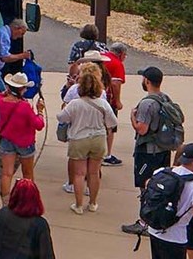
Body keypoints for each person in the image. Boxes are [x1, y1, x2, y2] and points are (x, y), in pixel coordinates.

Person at [122, 66, 181, 235]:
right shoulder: (165, 98)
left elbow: (142, 129)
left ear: (147, 81)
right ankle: (157, 219)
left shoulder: (147, 104)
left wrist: (132, 117)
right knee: (159, 184)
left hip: (147, 152)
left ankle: (144, 222)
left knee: (146, 186)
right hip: (163, 149)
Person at [55, 64, 115, 214]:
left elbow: (61, 117)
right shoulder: (103, 103)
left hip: (79, 138)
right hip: (98, 138)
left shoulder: (75, 104)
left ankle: (79, 204)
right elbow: (112, 122)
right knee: (94, 173)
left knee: (79, 174)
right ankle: (93, 203)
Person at [0, 72, 44, 201]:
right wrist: (40, 111)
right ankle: (28, 200)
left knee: (6, 173)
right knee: (27, 174)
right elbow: (39, 125)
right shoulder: (24, 106)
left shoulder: (0, 100)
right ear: (21, 89)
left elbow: (1, 94)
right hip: (25, 143)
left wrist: (7, 91)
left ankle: (5, 202)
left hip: (7, 140)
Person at [100, 43, 128, 166]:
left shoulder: (101, 57)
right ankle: (107, 154)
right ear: (121, 54)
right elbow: (116, 84)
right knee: (110, 126)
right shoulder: (117, 64)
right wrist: (117, 101)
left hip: (93, 96)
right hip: (107, 99)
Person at [0, 17, 30, 89]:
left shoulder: (3, 31)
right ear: (17, 28)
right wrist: (23, 55)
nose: (20, 37)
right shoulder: (4, 35)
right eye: (22, 33)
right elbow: (5, 57)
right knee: (4, 93)